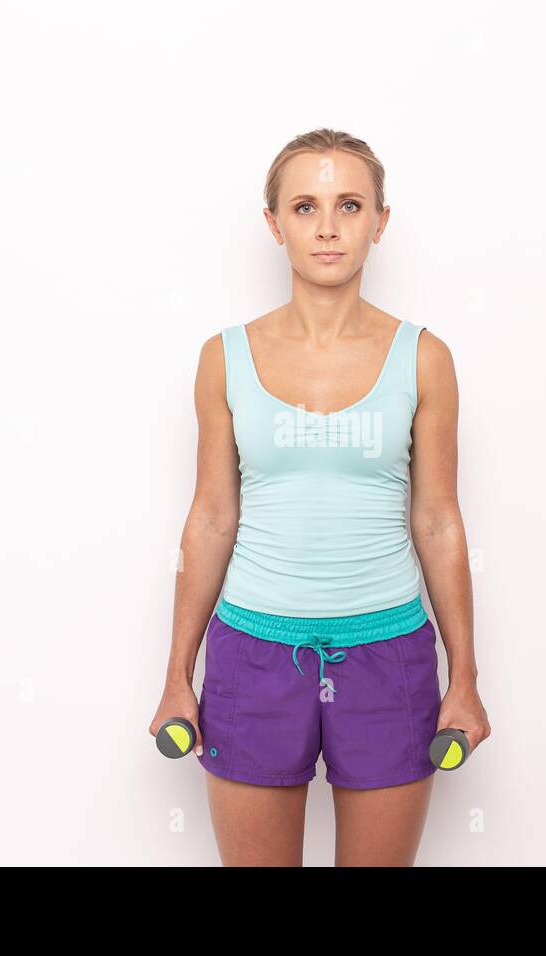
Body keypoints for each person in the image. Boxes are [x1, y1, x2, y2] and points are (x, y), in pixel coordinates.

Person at [150, 128, 490, 866]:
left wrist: (464, 677)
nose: (329, 226)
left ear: (381, 221)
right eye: (305, 206)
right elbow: (211, 517)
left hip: (388, 655)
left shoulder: (424, 357)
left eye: (350, 205)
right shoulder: (223, 358)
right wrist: (177, 675)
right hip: (253, 657)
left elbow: (437, 520)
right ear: (274, 224)